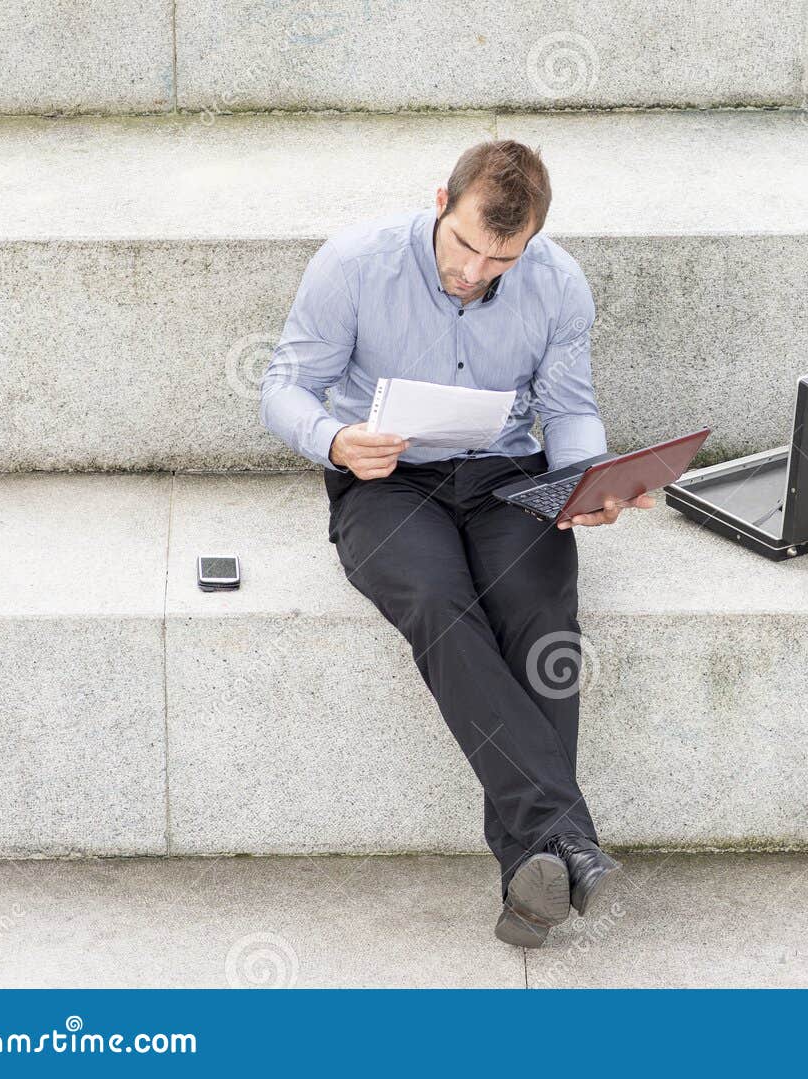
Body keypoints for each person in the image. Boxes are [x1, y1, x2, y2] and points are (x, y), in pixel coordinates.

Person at [261, 140, 645, 947]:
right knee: (439, 603)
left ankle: (534, 867)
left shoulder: (558, 283)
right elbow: (284, 385)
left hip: (507, 473)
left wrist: (587, 480)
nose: (475, 271)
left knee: (541, 613)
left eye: (501, 257)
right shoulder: (354, 264)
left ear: (531, 238)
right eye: (467, 245)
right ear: (442, 200)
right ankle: (564, 833)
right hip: (388, 479)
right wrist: (334, 439)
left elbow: (569, 407)